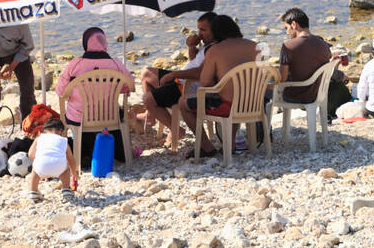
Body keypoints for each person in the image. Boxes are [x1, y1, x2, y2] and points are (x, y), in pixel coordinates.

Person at [159, 14, 260, 157]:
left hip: (228, 106)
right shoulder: (255, 46)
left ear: (216, 32)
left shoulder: (216, 50)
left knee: (183, 102)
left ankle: (206, 147)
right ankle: (229, 147)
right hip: (252, 103)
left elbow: (205, 82)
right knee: (235, 93)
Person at [54, 27, 134, 170]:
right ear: (105, 44)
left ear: (85, 44)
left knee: (71, 112)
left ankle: (78, 155)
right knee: (118, 110)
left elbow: (60, 92)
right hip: (110, 117)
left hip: (80, 118)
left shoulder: (75, 64)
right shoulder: (116, 64)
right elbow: (129, 86)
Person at [141, 14, 214, 147]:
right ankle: (150, 115)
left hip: (187, 86)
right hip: (182, 79)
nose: (200, 34)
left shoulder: (214, 49)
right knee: (146, 74)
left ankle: (176, 130)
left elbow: (200, 73)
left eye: (203, 30)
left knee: (148, 100)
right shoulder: (207, 45)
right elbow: (194, 61)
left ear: (215, 30)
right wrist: (192, 46)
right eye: (198, 29)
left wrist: (174, 74)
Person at [277, 8, 345, 105]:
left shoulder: (288, 46)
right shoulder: (324, 45)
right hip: (317, 95)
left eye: (286, 28)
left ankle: (258, 119)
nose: (287, 32)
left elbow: (281, 80)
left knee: (261, 91)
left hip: (294, 96)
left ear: (294, 25)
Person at [26, 116, 76, 202]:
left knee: (35, 170)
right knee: (65, 169)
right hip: (59, 167)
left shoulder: (39, 138)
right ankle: (66, 190)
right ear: (61, 131)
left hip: (41, 166)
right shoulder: (63, 140)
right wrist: (74, 174)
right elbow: (71, 159)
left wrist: (39, 160)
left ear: (44, 131)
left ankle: (33, 192)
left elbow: (30, 154)